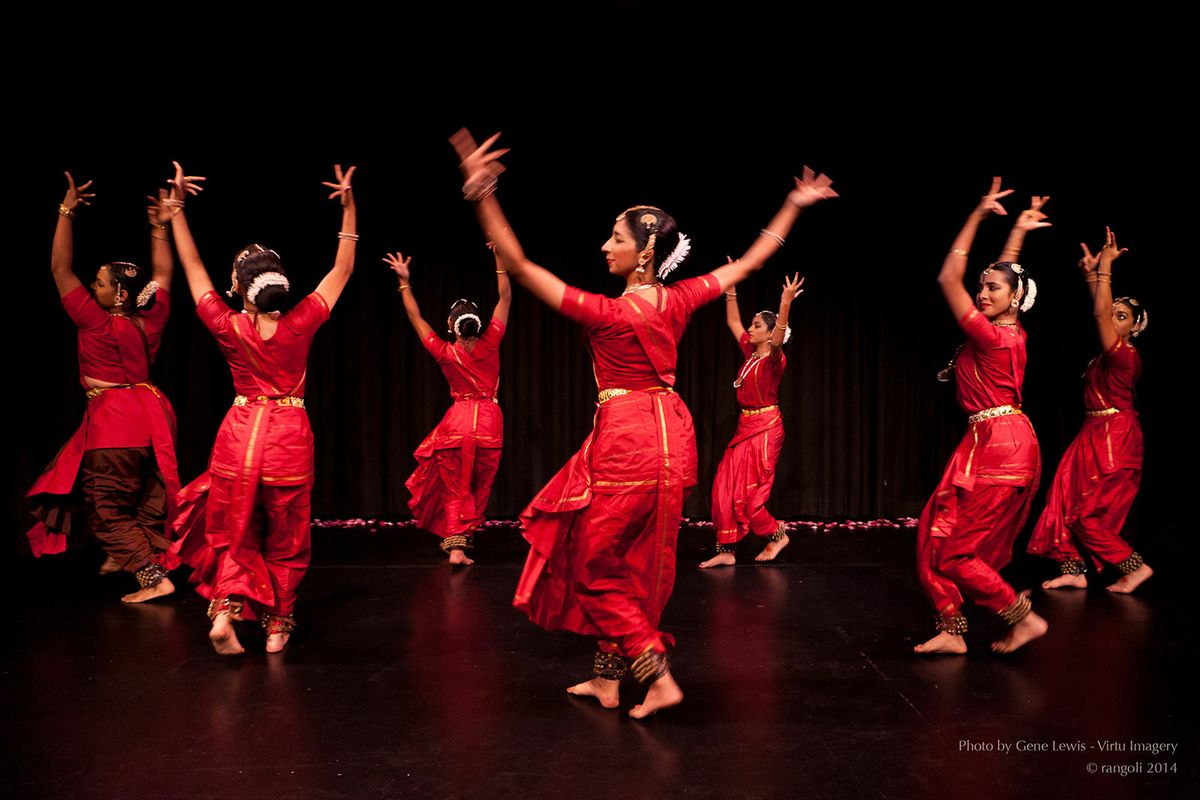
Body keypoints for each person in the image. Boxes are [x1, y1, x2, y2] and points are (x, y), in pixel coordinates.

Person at [451, 128, 836, 717]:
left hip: (629, 436)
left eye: (616, 238)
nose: (605, 246)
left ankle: (653, 670)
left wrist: (483, 195)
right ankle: (608, 679)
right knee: (630, 559)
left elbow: (523, 268)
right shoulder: (679, 300)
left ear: (646, 251)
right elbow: (754, 260)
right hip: (671, 435)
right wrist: (793, 205)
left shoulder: (606, 314)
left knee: (591, 561)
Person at [164, 162, 357, 655]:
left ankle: (226, 608)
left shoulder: (227, 324)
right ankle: (277, 624)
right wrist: (349, 210)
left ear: (239, 288)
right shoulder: (301, 323)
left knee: (237, 529)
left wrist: (178, 211)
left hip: (239, 434)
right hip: (288, 440)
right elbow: (342, 270)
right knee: (287, 535)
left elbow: (191, 267)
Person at [27, 172, 181, 603]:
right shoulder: (151, 319)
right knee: (141, 496)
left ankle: (153, 577)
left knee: (105, 507)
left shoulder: (95, 322)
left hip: (116, 423)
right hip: (153, 418)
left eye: (98, 283)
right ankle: (126, 555)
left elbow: (59, 268)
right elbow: (163, 272)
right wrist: (159, 227)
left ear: (119, 294)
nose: (92, 287)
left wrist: (65, 212)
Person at [914, 177, 1049, 656]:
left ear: (1013, 297)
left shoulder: (994, 338)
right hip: (987, 441)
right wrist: (1017, 232)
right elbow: (1009, 275)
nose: (983, 292)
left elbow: (947, 279)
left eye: (992, 288)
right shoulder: (1008, 329)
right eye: (982, 286)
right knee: (934, 535)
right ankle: (952, 629)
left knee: (955, 550)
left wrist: (975, 215)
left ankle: (1023, 617)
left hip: (1000, 446)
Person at [1028, 227, 1152, 593]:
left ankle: (1135, 567)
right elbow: (1102, 313)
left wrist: (1104, 270)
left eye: (1122, 317)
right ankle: (1074, 570)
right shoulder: (1106, 356)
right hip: (1092, 433)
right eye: (1113, 313)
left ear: (1134, 328)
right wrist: (1091, 278)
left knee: (1087, 513)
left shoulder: (1124, 356)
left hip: (1115, 436)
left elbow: (1099, 316)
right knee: (1061, 503)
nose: (1113, 318)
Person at [385, 246, 511, 564]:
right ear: (479, 324)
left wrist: (404, 282)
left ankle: (456, 546)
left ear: (451, 326)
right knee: (479, 487)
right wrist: (499, 258)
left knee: (455, 488)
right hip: (489, 423)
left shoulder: (443, 351)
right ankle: (462, 540)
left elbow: (415, 317)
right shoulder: (492, 342)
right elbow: (505, 297)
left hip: (456, 424)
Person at [699, 274, 803, 568]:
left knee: (751, 497)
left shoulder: (774, 360)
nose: (750, 328)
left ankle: (778, 536)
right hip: (745, 427)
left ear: (770, 334)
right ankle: (726, 550)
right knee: (724, 487)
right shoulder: (750, 352)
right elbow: (733, 321)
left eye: (757, 325)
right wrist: (730, 291)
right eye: (752, 324)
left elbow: (779, 339)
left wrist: (785, 303)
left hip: (766, 429)